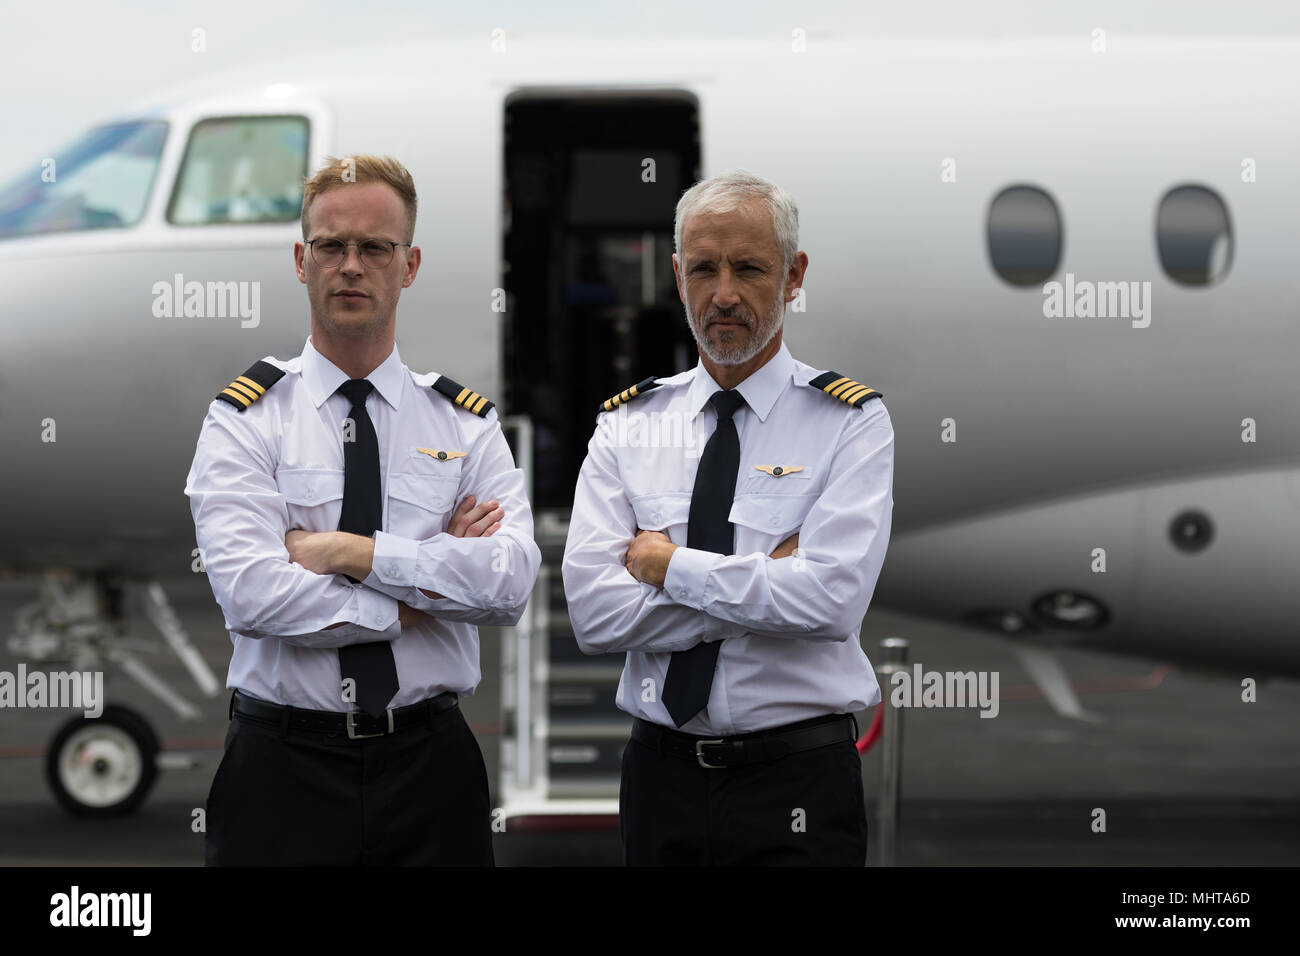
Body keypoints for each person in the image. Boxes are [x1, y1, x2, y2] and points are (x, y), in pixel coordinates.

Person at [185, 154, 540, 866]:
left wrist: (352, 555)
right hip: (280, 771)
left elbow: (507, 585)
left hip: (429, 771)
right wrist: (416, 600)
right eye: (331, 246)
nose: (351, 265)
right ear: (300, 259)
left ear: (407, 266)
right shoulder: (245, 419)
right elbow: (254, 597)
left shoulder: (464, 423)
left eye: (375, 248)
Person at [561, 169, 893, 866]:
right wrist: (766, 583)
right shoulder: (628, 424)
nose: (725, 295)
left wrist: (666, 567)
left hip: (798, 780)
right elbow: (593, 616)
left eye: (749, 268)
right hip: (662, 780)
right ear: (678, 277)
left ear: (794, 275)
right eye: (704, 270)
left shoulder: (850, 423)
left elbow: (831, 603)